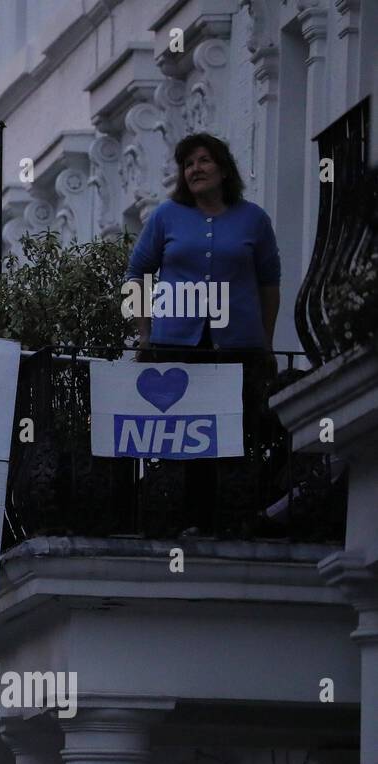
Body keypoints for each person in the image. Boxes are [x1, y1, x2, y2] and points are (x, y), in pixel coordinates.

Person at [123, 133, 284, 535]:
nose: (195, 169)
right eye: (188, 163)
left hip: (238, 346)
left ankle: (234, 519)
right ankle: (189, 521)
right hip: (178, 343)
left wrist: (266, 341)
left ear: (223, 169)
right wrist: (144, 334)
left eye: (203, 160)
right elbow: (135, 274)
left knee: (236, 429)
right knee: (188, 431)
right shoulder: (166, 217)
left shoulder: (253, 220)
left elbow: (269, 283)